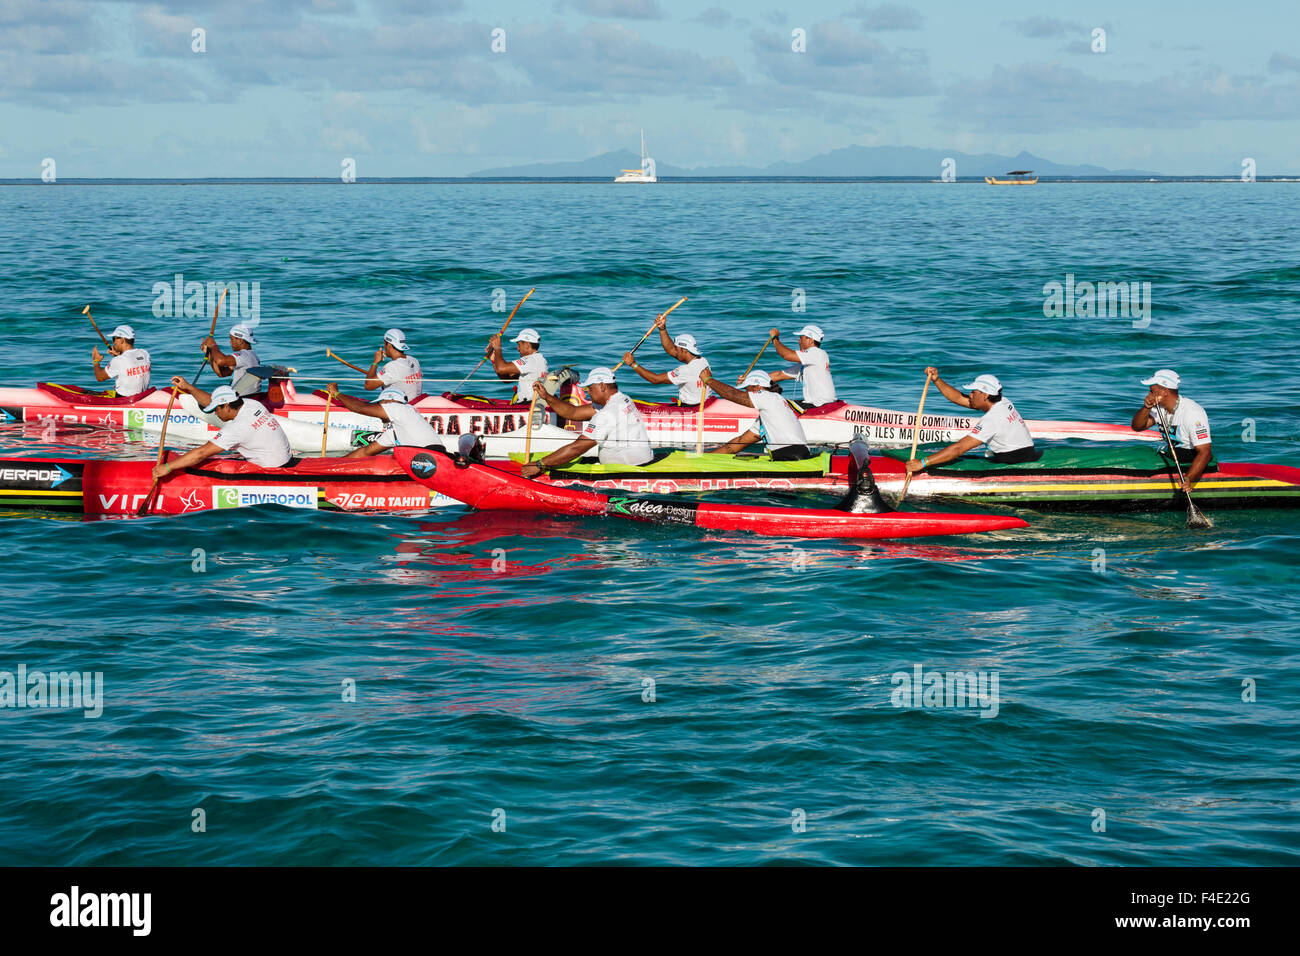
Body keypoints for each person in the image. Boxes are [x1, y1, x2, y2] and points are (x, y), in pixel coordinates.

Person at [521, 367, 653, 476]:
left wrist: (539, 465)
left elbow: (577, 448)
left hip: (627, 470)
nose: (588, 392)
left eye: (590, 388)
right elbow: (573, 412)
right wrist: (547, 396)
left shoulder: (607, 413)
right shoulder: (622, 398)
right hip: (639, 459)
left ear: (602, 386)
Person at [151, 381, 292, 481]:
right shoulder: (252, 404)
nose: (215, 413)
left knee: (203, 461)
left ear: (226, 406)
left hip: (270, 470)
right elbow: (210, 402)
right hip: (284, 459)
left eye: (216, 409)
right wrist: (188, 387)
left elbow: (200, 454)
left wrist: (168, 467)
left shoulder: (236, 428)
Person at [904, 370, 1036, 473]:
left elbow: (959, 448)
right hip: (1026, 452)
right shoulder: (1002, 401)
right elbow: (958, 398)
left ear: (985, 395)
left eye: (973, 392)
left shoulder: (992, 419)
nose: (970, 395)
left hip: (1014, 461)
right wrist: (937, 380)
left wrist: (923, 463)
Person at [701, 368, 812, 460]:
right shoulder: (769, 415)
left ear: (757, 388)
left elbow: (733, 394)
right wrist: (705, 458)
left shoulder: (767, 396)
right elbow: (737, 444)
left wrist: (709, 380)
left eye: (747, 389)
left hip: (789, 455)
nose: (746, 393)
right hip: (798, 454)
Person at [1132, 368, 1212, 490]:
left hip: (1190, 456)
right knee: (1140, 452)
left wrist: (1189, 479)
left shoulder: (1193, 412)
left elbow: (1205, 452)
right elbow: (1137, 427)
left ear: (1164, 392)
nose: (1149, 395)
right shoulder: (1158, 408)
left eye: (1152, 391)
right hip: (1172, 453)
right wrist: (1146, 407)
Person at [325, 384, 442, 458]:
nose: (377, 408)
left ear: (388, 401)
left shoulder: (399, 408)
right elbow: (364, 452)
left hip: (432, 459)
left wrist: (337, 394)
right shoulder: (396, 430)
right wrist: (333, 464)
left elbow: (361, 408)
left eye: (379, 404)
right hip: (424, 460)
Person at [623, 313, 710, 405]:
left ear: (684, 350)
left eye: (676, 348)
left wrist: (633, 364)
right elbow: (670, 349)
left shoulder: (685, 370)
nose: (674, 351)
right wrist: (662, 329)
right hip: (703, 403)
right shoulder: (703, 361)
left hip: (691, 409)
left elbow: (655, 379)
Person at [765, 323, 836, 407]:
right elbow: (779, 375)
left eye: (801, 338)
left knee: (779, 405)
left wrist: (775, 339)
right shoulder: (807, 364)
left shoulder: (817, 353)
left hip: (822, 404)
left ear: (810, 340)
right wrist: (750, 379)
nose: (799, 341)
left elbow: (786, 355)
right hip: (815, 404)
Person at [486, 328, 547, 403]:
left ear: (527, 345)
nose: (518, 348)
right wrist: (493, 359)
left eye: (519, 345)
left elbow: (501, 369)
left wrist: (498, 348)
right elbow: (506, 379)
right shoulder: (538, 359)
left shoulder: (531, 360)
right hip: (529, 403)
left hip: (528, 405)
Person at [201, 323, 262, 396]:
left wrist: (213, 345)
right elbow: (222, 373)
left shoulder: (244, 355)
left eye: (231, 339)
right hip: (244, 397)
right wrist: (210, 354)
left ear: (240, 340)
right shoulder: (250, 355)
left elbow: (221, 361)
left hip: (242, 399)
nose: (230, 342)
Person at [91, 325, 151, 397]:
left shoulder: (119, 360)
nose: (113, 343)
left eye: (114, 339)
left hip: (125, 400)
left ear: (122, 340)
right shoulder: (145, 354)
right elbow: (131, 362)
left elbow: (99, 377)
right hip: (142, 397)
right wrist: (119, 355)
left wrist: (96, 360)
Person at [364, 329, 423, 400]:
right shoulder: (413, 360)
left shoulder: (393, 366)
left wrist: (375, 362)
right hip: (414, 402)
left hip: (402, 406)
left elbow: (368, 386)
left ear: (388, 344)